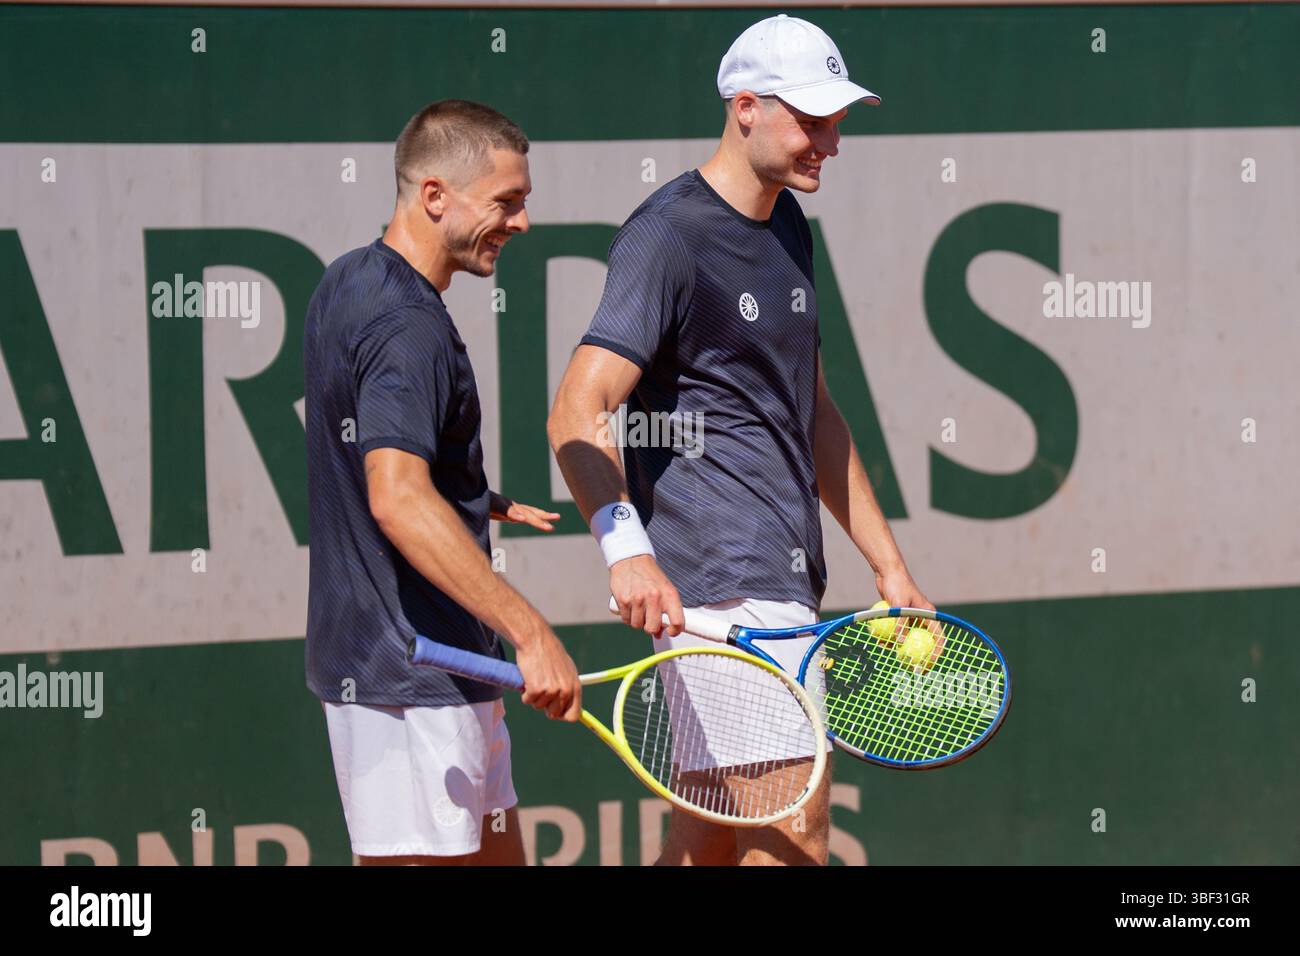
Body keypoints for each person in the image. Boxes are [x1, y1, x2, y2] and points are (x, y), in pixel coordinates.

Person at [547, 15, 933, 866]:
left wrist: (887, 561)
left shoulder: (788, 224)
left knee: (707, 843)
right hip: (727, 586)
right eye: (810, 119)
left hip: (772, 576)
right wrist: (627, 553)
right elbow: (577, 409)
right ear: (746, 107)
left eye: (837, 120)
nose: (830, 141)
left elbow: (814, 411)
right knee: (794, 836)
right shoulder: (668, 236)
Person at [304, 100, 580, 866]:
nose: (520, 223)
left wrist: (468, 497)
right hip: (408, 676)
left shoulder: (347, 282)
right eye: (506, 202)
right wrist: (531, 633)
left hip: (434, 671)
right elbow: (395, 497)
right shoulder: (408, 324)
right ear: (435, 195)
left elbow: (354, 444)